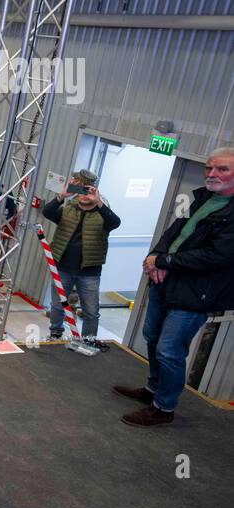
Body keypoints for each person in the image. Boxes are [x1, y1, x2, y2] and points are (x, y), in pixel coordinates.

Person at [113, 147, 234, 427]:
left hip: (196, 293)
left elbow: (217, 255)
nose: (212, 174)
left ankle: (164, 408)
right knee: (152, 337)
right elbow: (173, 232)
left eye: (222, 169)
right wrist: (153, 260)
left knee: (169, 350)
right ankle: (153, 390)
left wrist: (165, 260)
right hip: (166, 282)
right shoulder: (202, 198)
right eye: (209, 168)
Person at [38, 169, 120, 350]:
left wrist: (98, 202)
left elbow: (115, 223)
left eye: (87, 191)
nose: (84, 195)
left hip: (89, 271)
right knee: (58, 305)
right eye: (81, 190)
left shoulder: (103, 212)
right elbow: (47, 212)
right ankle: (55, 335)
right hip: (63, 267)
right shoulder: (69, 208)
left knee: (91, 311)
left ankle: (88, 340)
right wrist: (62, 195)